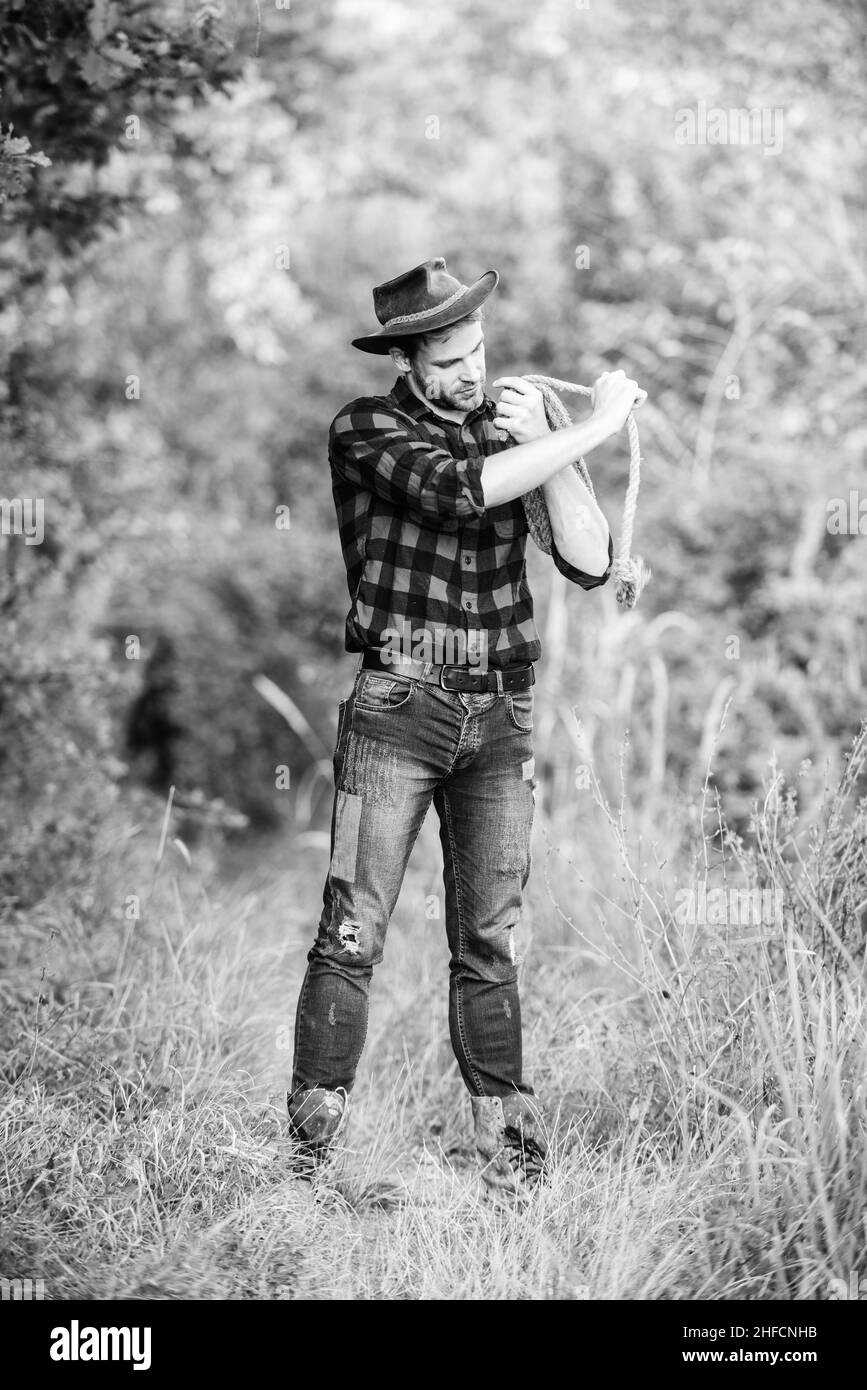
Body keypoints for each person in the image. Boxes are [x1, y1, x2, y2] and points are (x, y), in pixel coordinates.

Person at [288, 257, 645, 1192]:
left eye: (474, 352)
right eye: (444, 361)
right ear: (405, 360)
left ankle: (510, 1158)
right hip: (395, 710)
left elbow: (589, 557)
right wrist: (599, 425)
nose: (467, 374)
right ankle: (311, 1153)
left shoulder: (511, 434)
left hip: (501, 715)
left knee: (489, 939)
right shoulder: (365, 428)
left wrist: (560, 440)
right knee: (352, 930)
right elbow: (459, 491)